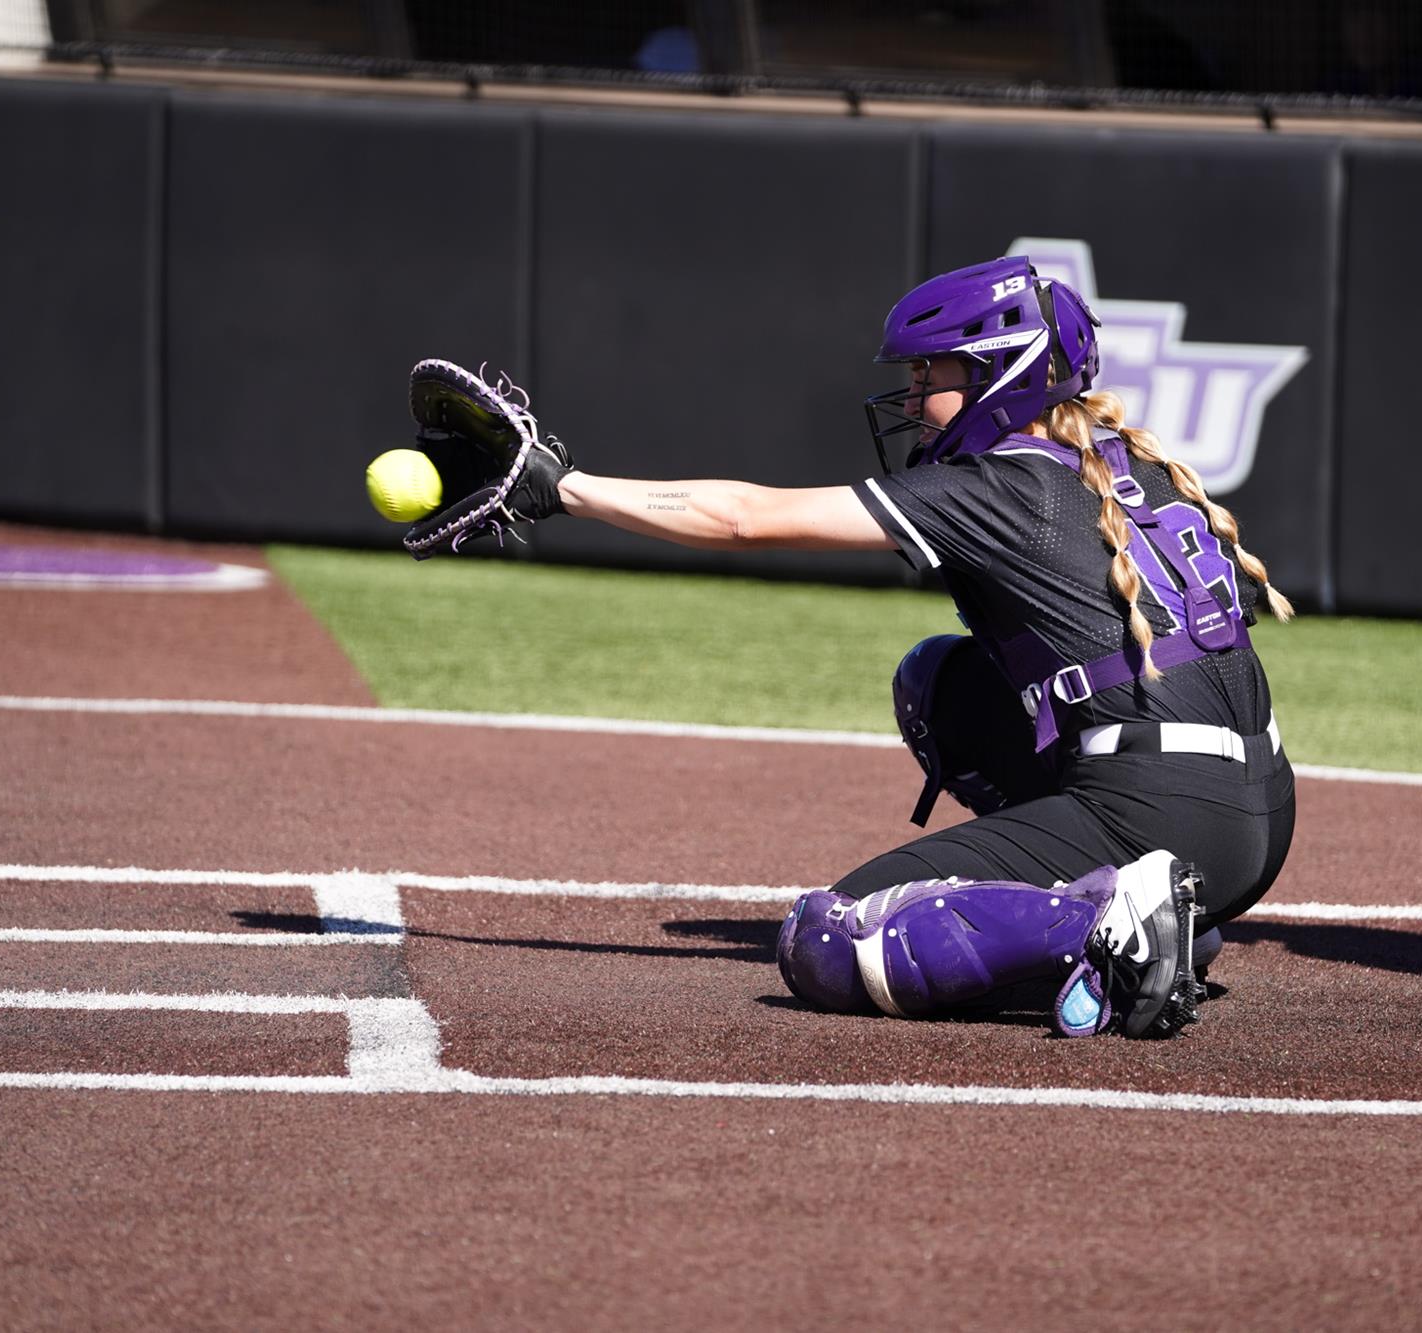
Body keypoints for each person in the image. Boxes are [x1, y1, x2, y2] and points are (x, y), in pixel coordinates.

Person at [474, 256, 1297, 1038]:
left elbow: (743, 518)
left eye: (927, 376)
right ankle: (1150, 913)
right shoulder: (1133, 464)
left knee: (824, 941)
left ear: (995, 373)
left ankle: (1113, 924)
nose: (910, 397)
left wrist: (564, 488)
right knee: (943, 685)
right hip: (1261, 805)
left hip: (1163, 805)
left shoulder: (1002, 482)